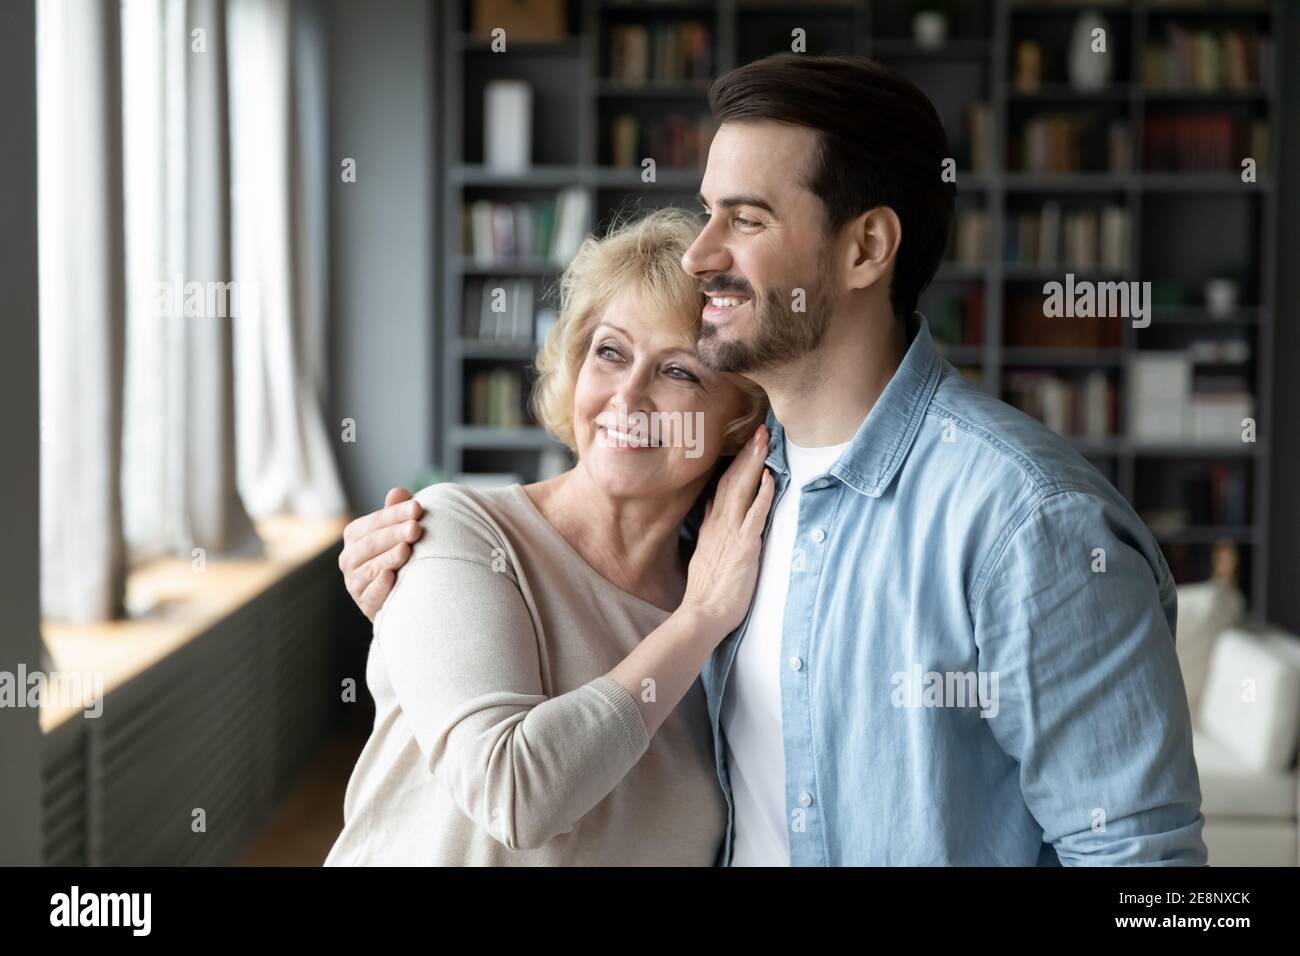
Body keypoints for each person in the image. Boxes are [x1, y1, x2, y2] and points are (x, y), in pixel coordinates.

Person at [340, 55, 1206, 866]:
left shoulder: (1026, 521)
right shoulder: (735, 513)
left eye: (746, 218)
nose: (700, 252)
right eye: (707, 210)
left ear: (867, 248)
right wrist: (415, 592)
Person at [326, 208, 770, 865]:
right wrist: (699, 620)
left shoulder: (737, 598)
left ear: (740, 420)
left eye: (679, 371)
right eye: (610, 352)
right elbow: (516, 794)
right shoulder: (457, 530)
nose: (628, 397)